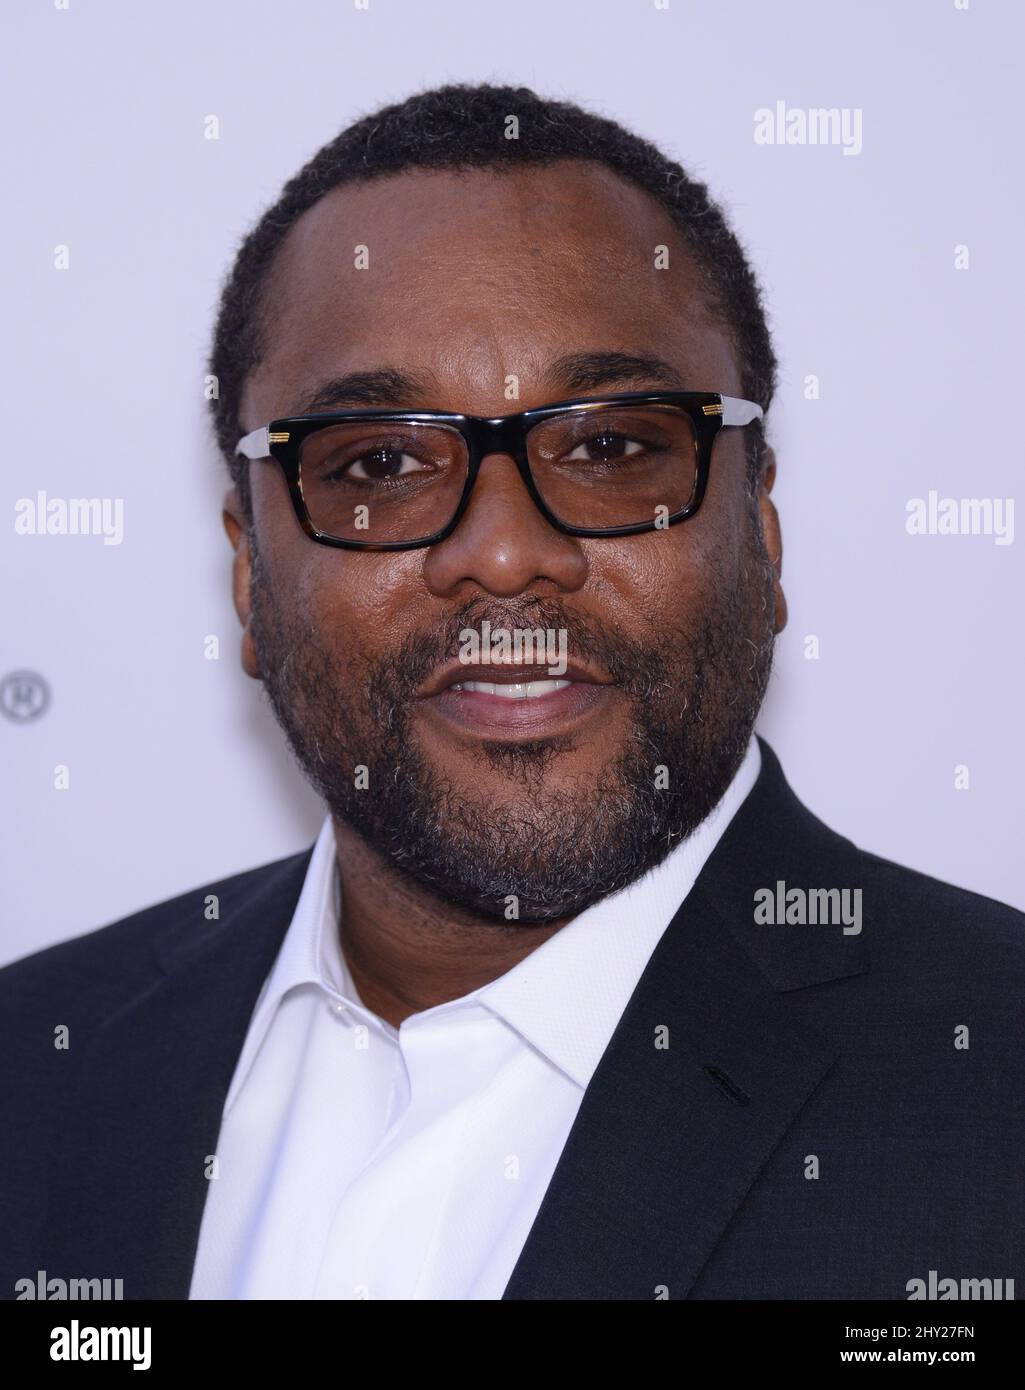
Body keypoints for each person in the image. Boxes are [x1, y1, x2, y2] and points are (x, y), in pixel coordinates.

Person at [3, 83, 1022, 1303]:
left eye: (605, 447)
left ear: (761, 530)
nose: (499, 550)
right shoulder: (35, 1062)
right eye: (378, 462)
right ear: (246, 571)